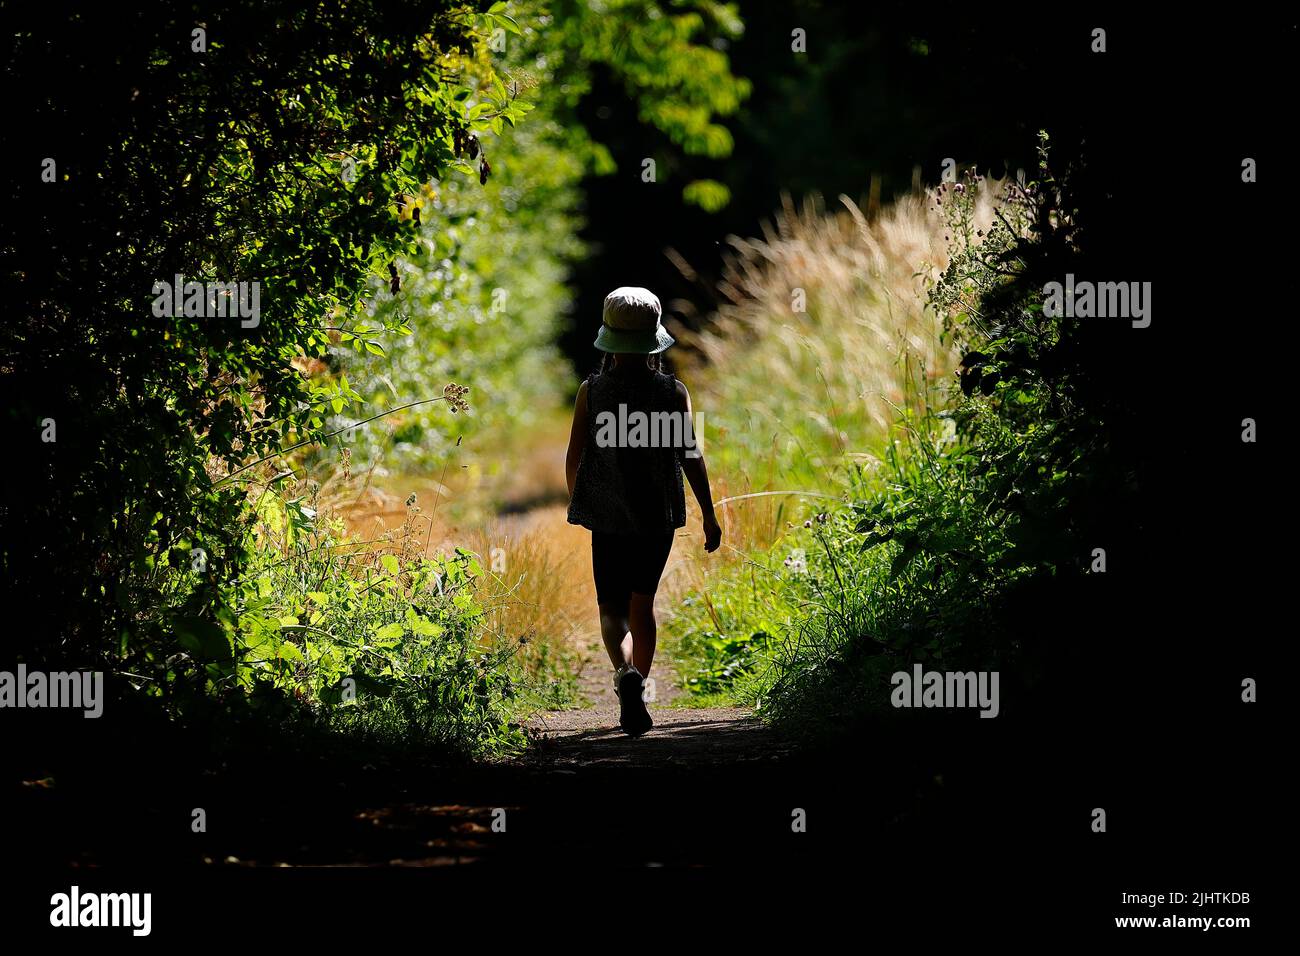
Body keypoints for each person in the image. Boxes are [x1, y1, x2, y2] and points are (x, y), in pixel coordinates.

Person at [565, 287, 722, 736]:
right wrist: (708, 513)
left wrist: (581, 502)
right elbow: (690, 454)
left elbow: (574, 457)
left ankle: (624, 672)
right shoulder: (673, 392)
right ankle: (640, 686)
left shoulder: (591, 391)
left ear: (609, 339)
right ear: (653, 340)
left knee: (610, 608)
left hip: (608, 517)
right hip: (656, 517)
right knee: (643, 603)